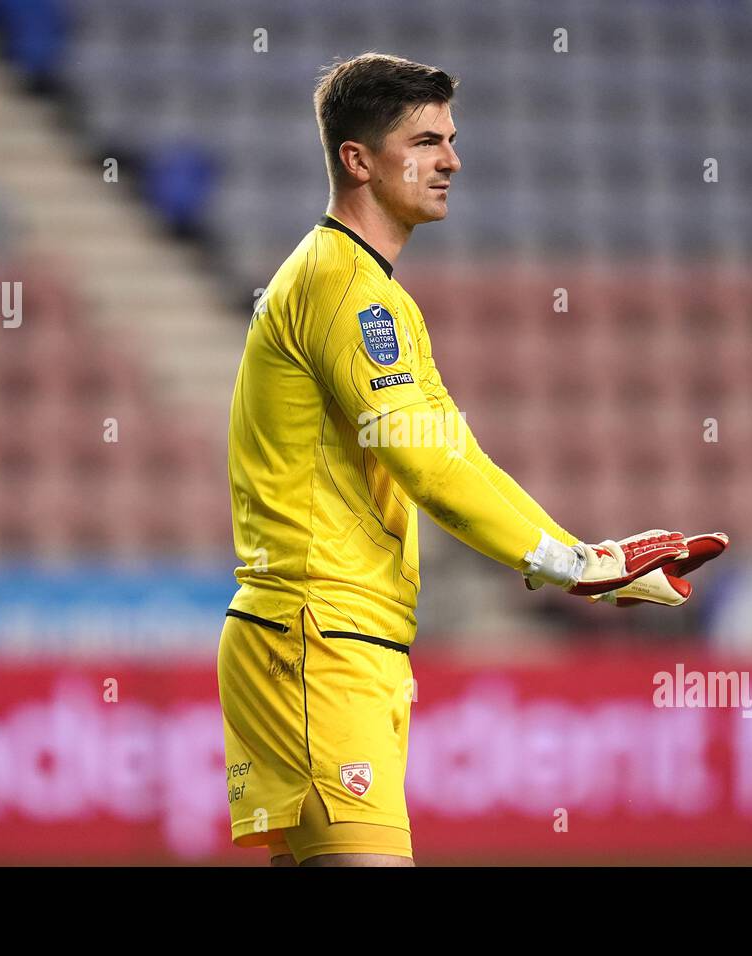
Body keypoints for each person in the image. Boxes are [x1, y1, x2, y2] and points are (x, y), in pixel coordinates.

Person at [217, 52, 696, 867]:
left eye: (451, 138)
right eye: (427, 140)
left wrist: (591, 560)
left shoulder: (368, 288)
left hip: (333, 640)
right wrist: (571, 566)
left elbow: (454, 454)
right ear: (358, 160)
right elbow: (428, 467)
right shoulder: (348, 291)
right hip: (318, 638)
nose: (452, 160)